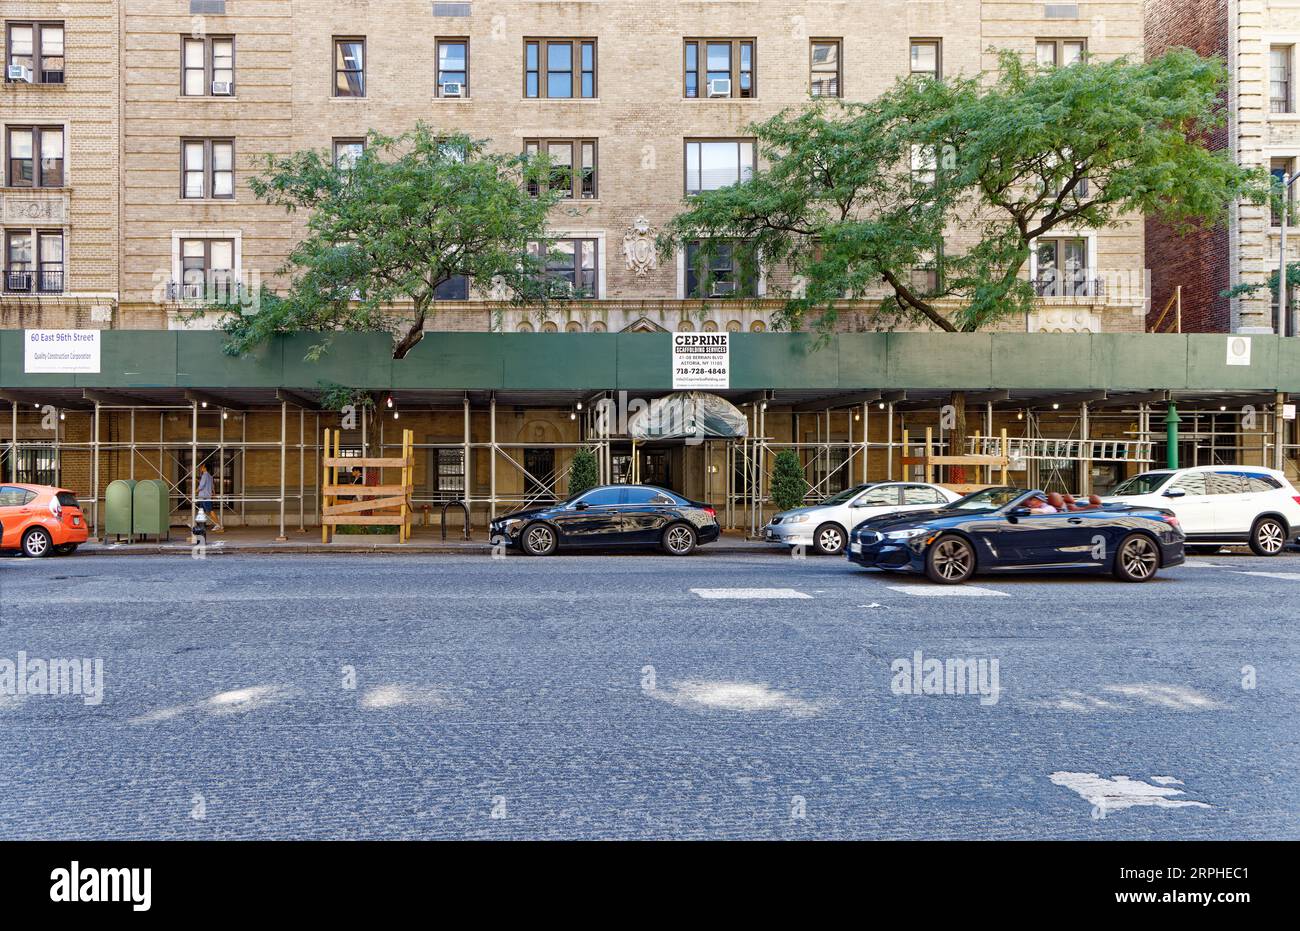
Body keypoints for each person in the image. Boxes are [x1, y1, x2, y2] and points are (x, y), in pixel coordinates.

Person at [196, 462, 223, 532]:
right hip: (205, 496)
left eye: (202, 466)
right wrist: (214, 494)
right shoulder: (210, 476)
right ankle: (200, 525)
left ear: (205, 468)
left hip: (204, 497)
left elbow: (201, 486)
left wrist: (194, 492)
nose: (201, 467)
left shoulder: (204, 475)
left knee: (210, 511)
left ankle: (218, 525)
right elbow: (212, 486)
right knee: (202, 511)